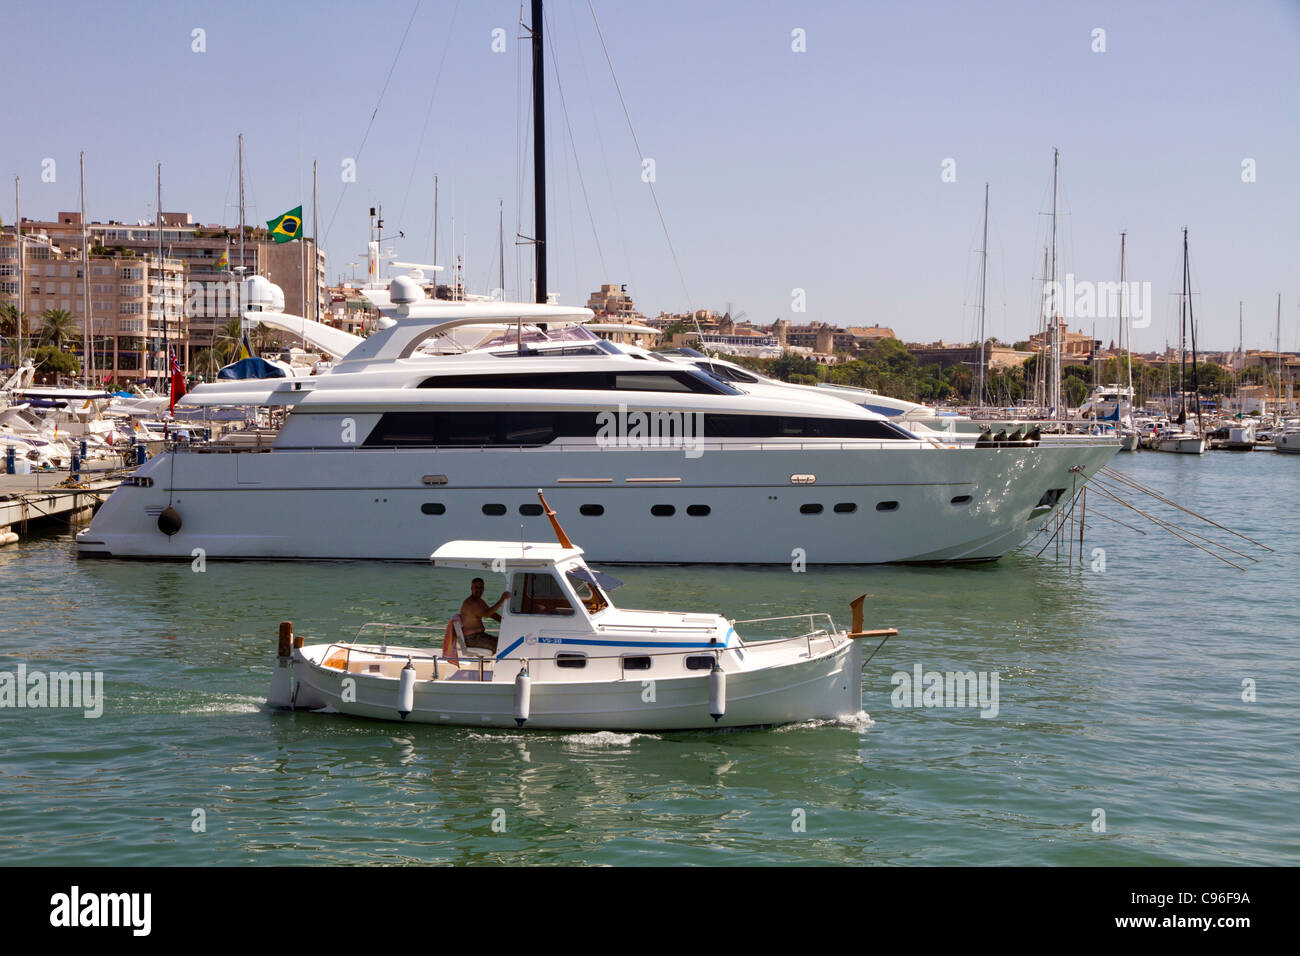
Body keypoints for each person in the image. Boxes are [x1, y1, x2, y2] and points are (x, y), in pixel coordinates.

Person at [459, 578, 510, 652]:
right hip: (472, 639)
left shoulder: (479, 601)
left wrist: (507, 622)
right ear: (471, 588)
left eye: (481, 588)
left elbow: (492, 615)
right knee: (502, 646)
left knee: (505, 641)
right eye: (476, 587)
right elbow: (487, 614)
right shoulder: (471, 603)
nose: (478, 590)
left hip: (480, 636)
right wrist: (502, 599)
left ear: (483, 589)